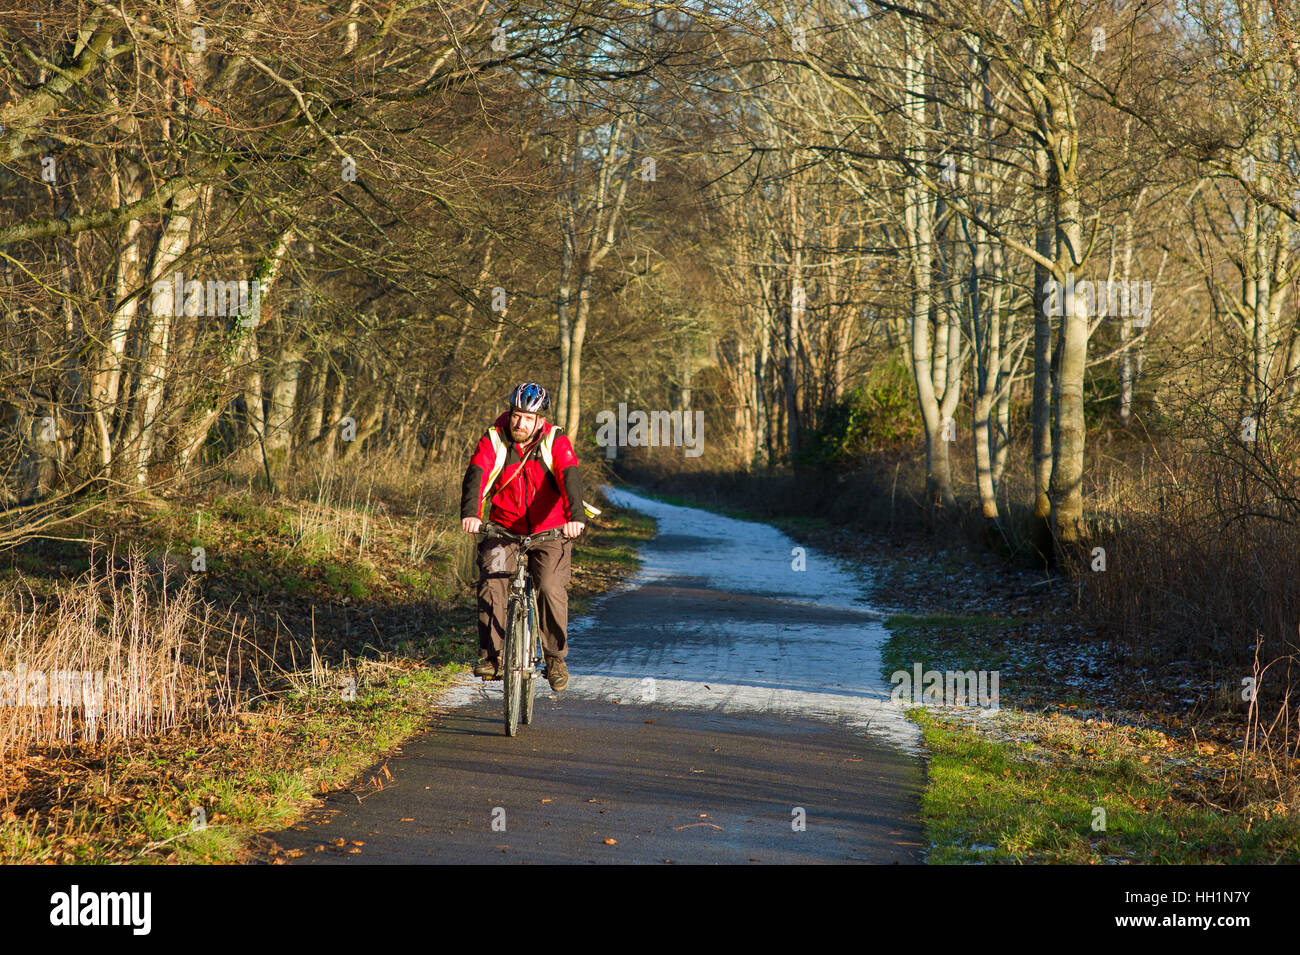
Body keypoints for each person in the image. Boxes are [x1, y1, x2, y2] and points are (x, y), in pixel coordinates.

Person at [460, 382, 586, 691]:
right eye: (517, 415)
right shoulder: (494, 438)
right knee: (493, 580)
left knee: (550, 586)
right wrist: (471, 512)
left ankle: (555, 658)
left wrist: (575, 518)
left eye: (528, 418)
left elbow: (570, 475)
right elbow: (477, 471)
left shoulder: (555, 440)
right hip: (503, 529)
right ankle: (492, 656)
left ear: (540, 420)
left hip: (550, 531)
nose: (520, 423)